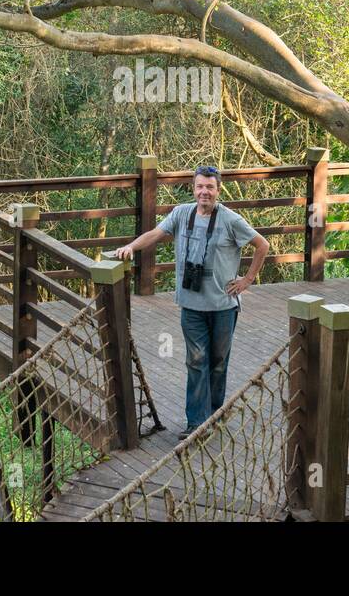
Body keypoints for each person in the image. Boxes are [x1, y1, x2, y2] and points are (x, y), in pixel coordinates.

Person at [113, 165, 269, 441]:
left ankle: (213, 415)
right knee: (196, 361)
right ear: (193, 188)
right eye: (199, 186)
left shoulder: (231, 220)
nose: (204, 192)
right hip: (191, 304)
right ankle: (196, 423)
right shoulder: (181, 213)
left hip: (223, 305)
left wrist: (247, 280)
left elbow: (262, 245)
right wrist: (131, 248)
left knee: (218, 362)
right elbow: (155, 234)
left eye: (209, 187)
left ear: (218, 190)